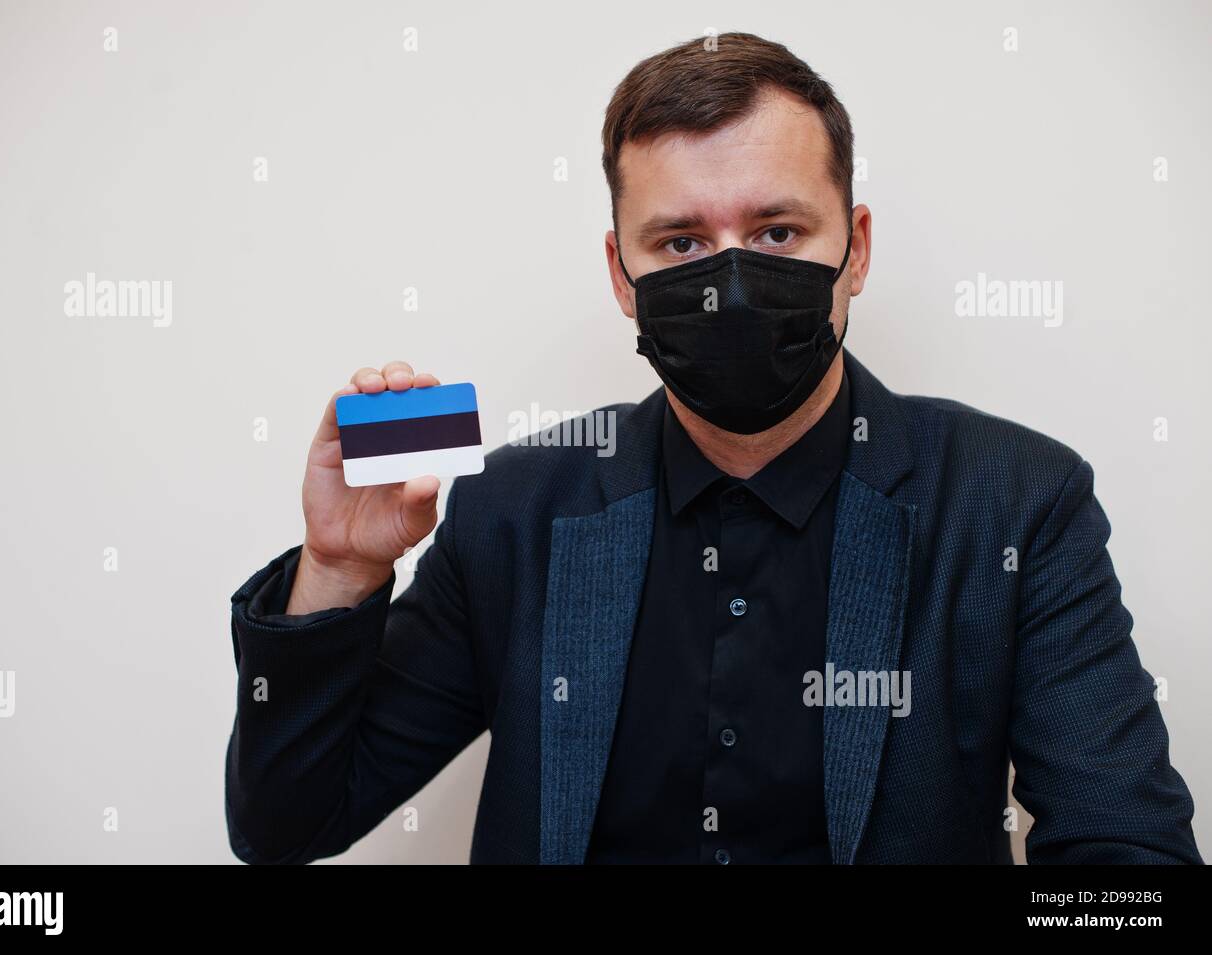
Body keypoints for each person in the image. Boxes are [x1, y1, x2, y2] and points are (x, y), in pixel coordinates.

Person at [223, 32, 1200, 865]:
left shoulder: (1013, 503)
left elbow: (1129, 868)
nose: (730, 283)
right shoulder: (516, 511)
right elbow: (287, 823)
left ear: (854, 249)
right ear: (620, 271)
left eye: (776, 230)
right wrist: (339, 568)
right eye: (681, 244)